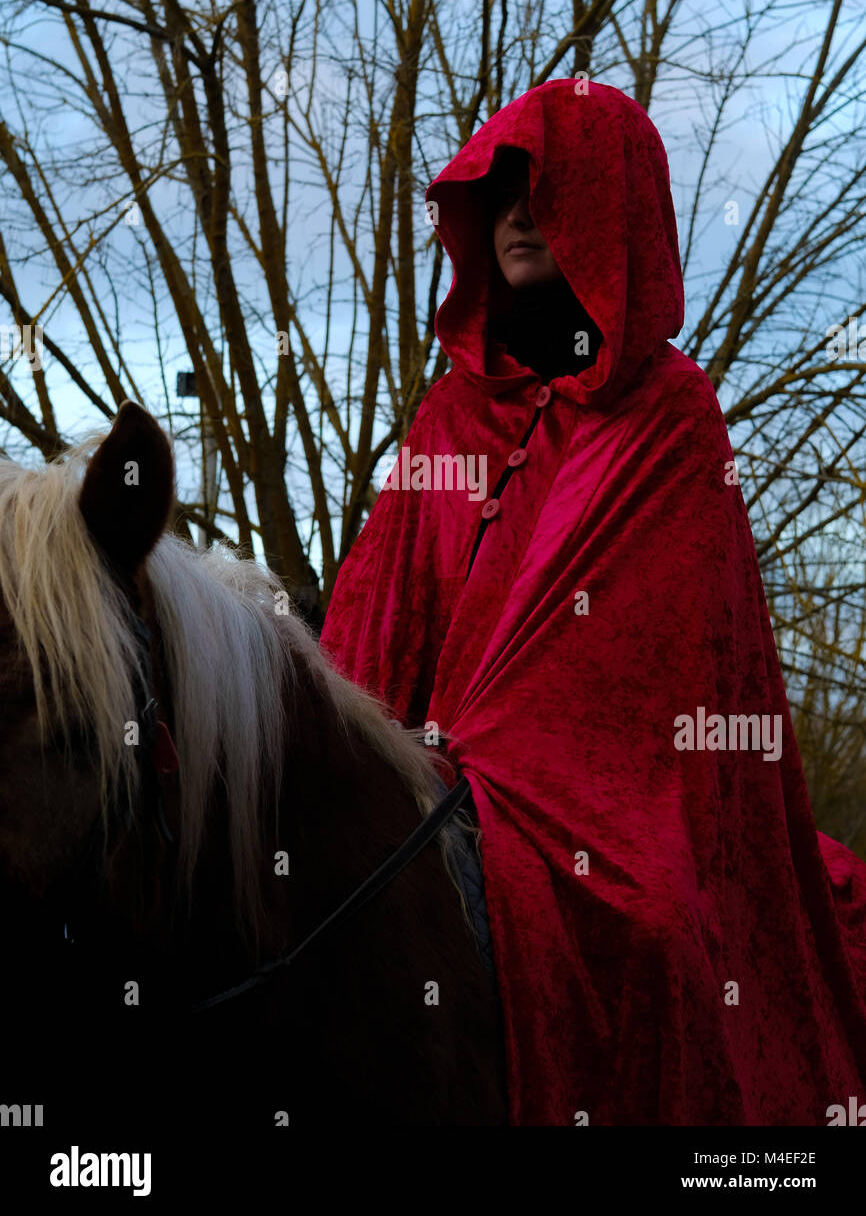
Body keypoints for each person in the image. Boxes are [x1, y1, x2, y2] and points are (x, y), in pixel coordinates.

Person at [320, 78, 866, 1125]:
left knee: (654, 930)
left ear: (611, 210)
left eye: (549, 188)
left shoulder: (672, 416)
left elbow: (662, 682)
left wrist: (501, 778)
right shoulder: (448, 420)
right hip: (421, 777)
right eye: (503, 192)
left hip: (608, 810)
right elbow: (371, 632)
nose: (519, 213)